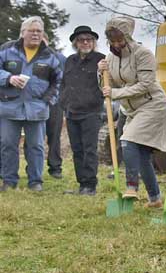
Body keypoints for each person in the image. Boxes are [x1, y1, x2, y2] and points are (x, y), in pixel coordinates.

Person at [98, 16, 166, 206]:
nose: (116, 44)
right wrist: (101, 74)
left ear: (128, 36)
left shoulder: (143, 54)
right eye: (112, 40)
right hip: (131, 109)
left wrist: (115, 93)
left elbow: (145, 85)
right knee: (141, 154)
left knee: (128, 140)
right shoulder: (110, 58)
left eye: (120, 39)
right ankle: (155, 198)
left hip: (152, 104)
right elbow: (108, 87)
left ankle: (132, 186)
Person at [0, 16, 62, 191]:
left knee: (36, 146)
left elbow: (57, 82)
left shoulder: (50, 56)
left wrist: (46, 102)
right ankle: (9, 181)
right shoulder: (6, 50)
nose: (35, 34)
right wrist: (8, 78)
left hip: (37, 109)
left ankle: (35, 181)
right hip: (8, 107)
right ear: (22, 32)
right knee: (7, 145)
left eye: (39, 31)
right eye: (32, 31)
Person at [60, 25, 105, 195]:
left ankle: (90, 185)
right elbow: (64, 83)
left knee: (89, 150)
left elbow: (107, 82)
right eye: (81, 40)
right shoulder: (70, 60)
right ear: (75, 43)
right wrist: (63, 102)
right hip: (71, 112)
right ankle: (82, 184)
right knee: (77, 149)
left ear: (93, 42)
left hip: (91, 112)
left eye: (89, 40)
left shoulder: (101, 60)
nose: (85, 42)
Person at [43, 38, 66, 179]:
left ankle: (55, 168)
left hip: (55, 103)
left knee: (54, 136)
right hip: (35, 104)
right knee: (34, 138)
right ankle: (32, 167)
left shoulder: (60, 58)